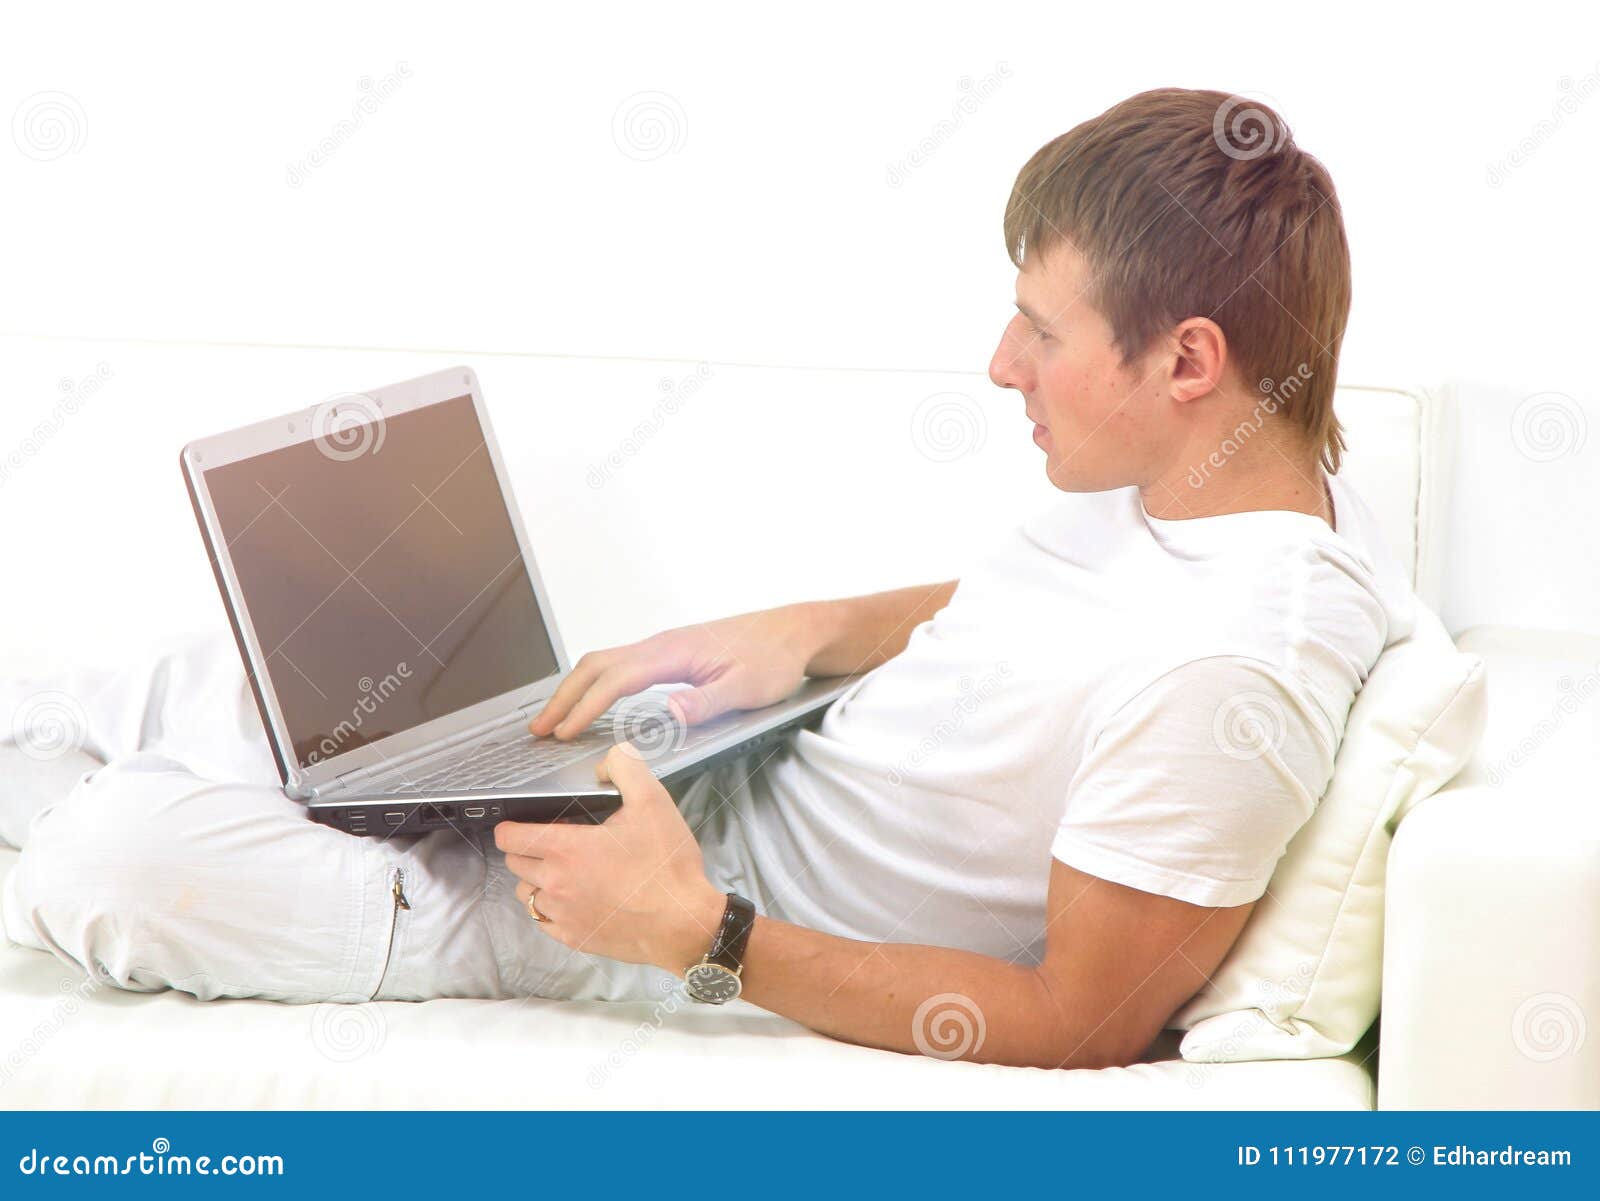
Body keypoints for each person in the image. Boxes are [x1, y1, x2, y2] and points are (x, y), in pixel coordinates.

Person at [0, 87, 1412, 1070]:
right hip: (688, 771)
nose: (1000, 365)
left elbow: (1077, 1018)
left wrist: (699, 931)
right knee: (183, 680)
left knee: (105, 850)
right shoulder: (1190, 501)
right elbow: (1040, 621)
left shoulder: (1238, 661)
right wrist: (805, 631)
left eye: (1042, 332)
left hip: (634, 904)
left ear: (1188, 361)